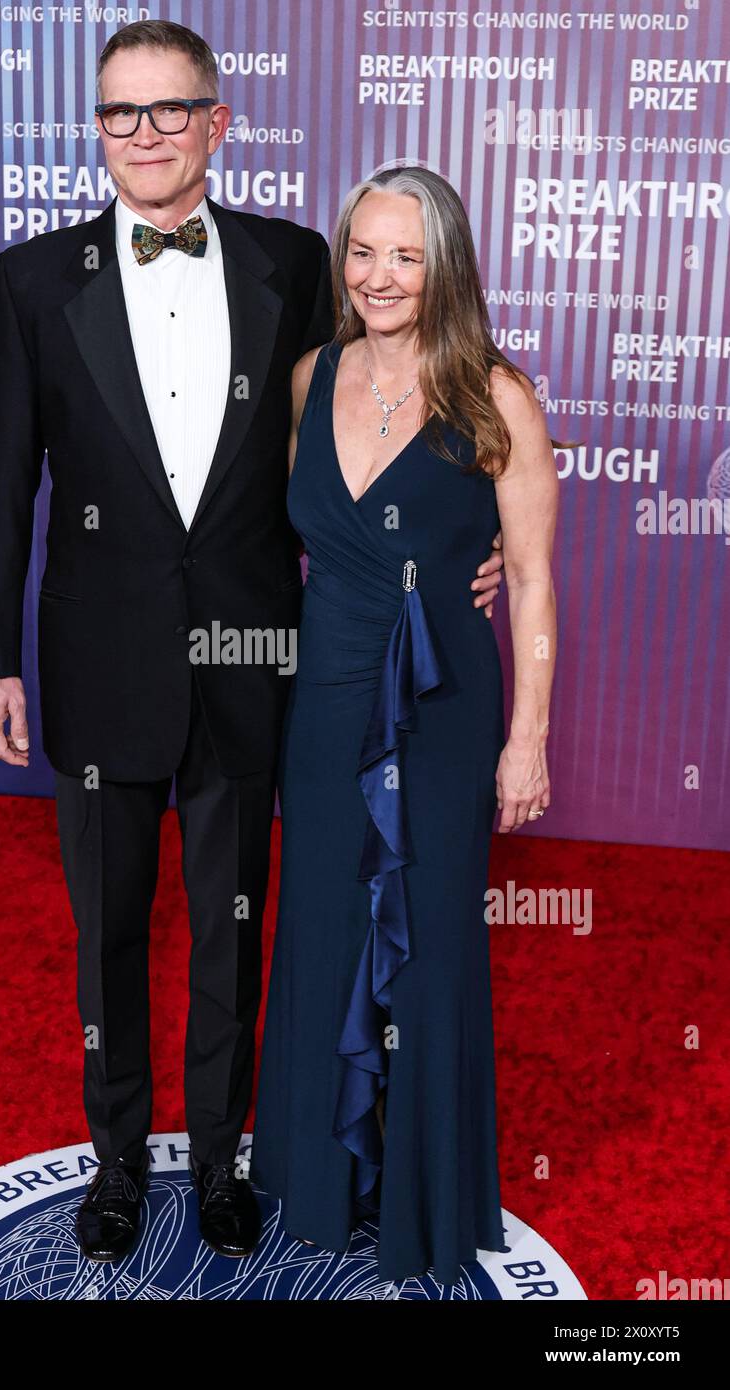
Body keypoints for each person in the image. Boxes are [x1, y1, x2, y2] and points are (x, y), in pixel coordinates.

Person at [0, 22, 505, 1265]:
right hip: (99, 662)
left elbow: (381, 413)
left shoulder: (292, 260)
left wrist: (464, 547)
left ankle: (219, 1158)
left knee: (234, 925)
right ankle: (113, 1163)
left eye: (170, 109)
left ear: (217, 122)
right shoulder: (31, 279)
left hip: (257, 659)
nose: (144, 134)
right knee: (108, 931)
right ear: (96, 128)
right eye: (120, 112)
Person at [249, 164, 558, 1288]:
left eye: (406, 257)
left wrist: (526, 739)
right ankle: (321, 1180)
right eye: (363, 252)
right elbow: (294, 538)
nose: (378, 277)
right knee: (324, 921)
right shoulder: (310, 376)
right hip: (327, 696)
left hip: (441, 708)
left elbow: (532, 579)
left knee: (425, 943)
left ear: (446, 267)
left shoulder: (497, 398)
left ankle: (423, 1197)